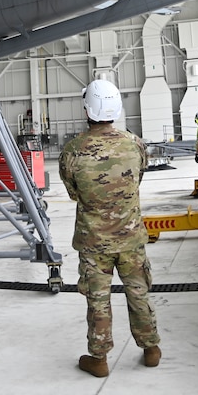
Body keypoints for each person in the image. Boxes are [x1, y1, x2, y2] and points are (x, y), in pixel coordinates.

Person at [59, 79, 161, 378]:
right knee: (139, 293)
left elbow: (74, 192)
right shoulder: (135, 143)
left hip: (94, 242)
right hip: (131, 238)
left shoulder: (73, 150)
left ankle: (99, 358)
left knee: (98, 301)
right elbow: (137, 179)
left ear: (87, 108)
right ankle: (151, 349)